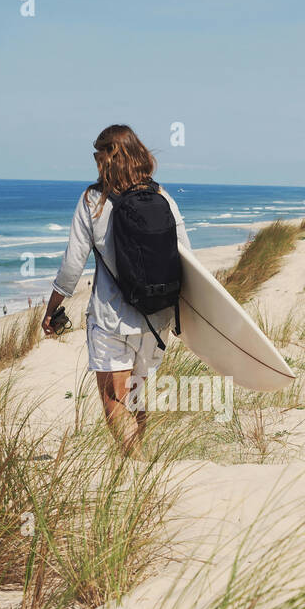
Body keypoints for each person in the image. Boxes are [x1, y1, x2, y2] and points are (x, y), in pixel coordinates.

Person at [43, 124, 190, 453]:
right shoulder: (160, 195)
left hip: (111, 317)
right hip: (157, 318)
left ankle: (134, 467)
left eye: (98, 154)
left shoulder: (92, 200)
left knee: (114, 399)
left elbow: (71, 266)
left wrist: (52, 309)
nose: (95, 161)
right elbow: (185, 257)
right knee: (135, 395)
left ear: (109, 157)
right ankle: (139, 455)